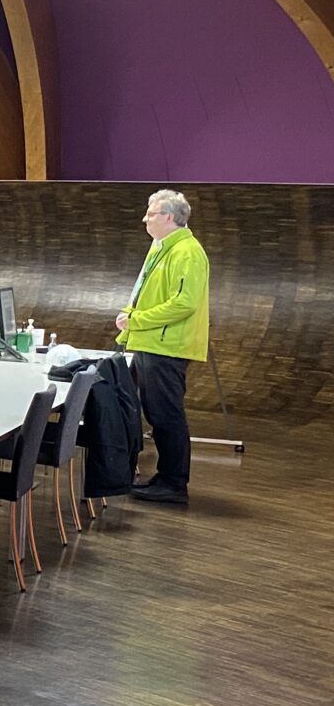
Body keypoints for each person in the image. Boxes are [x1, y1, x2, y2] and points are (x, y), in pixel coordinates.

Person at [117, 189, 211, 506]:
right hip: (152, 343)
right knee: (157, 414)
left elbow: (184, 304)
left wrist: (137, 320)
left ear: (169, 217)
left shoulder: (187, 252)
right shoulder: (162, 248)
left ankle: (173, 483)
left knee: (167, 415)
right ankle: (165, 477)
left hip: (166, 346)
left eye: (151, 213)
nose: (145, 219)